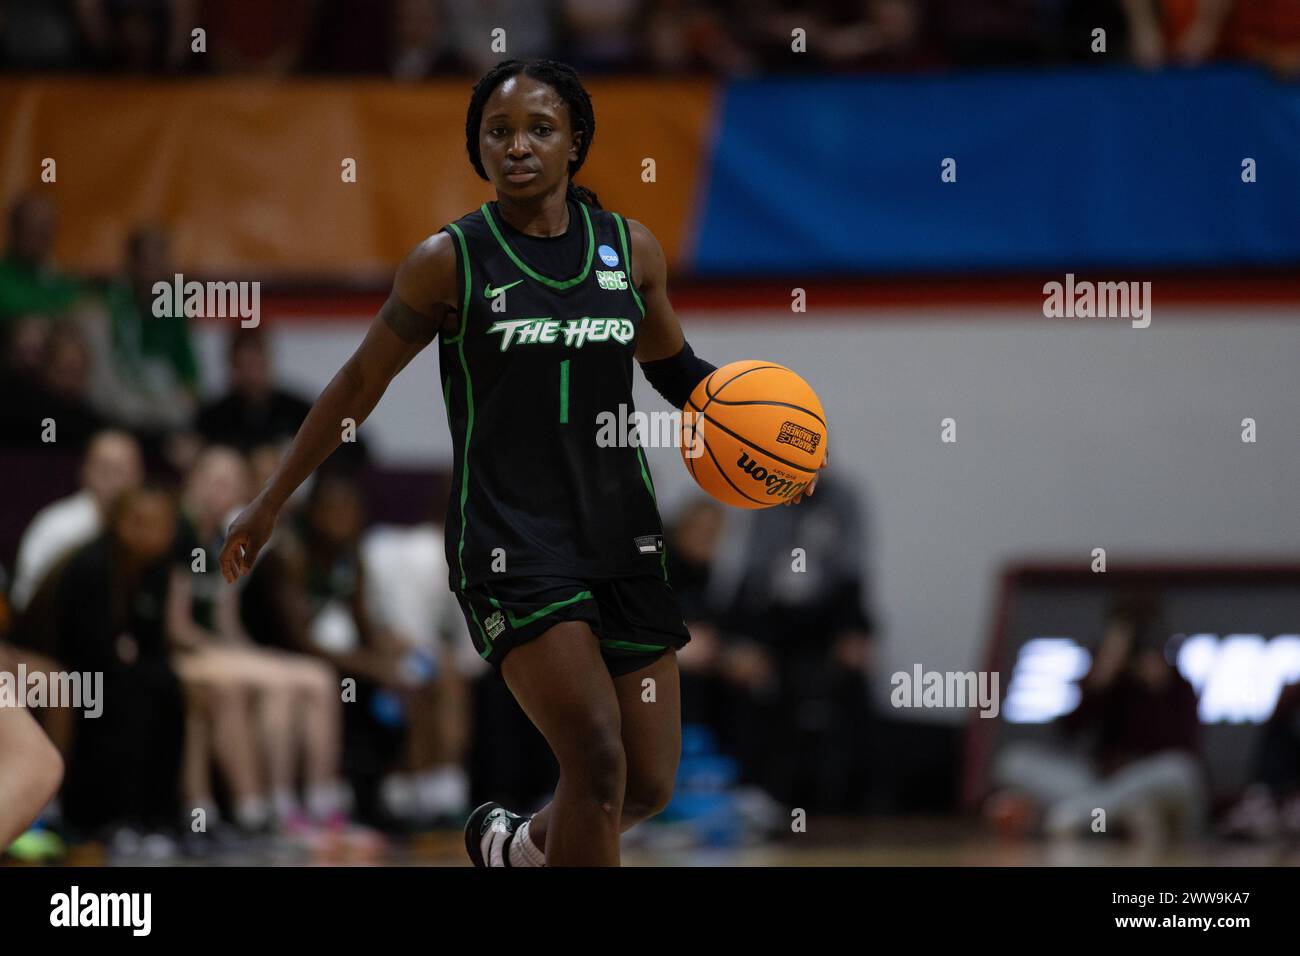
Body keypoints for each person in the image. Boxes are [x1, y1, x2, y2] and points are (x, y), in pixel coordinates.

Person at [220, 58, 824, 866]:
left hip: (622, 537)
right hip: (511, 543)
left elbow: (680, 376)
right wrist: (270, 501)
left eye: (540, 128)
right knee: (596, 761)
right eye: (497, 131)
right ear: (478, 147)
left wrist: (773, 445)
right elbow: (358, 383)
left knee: (646, 784)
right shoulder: (448, 260)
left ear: (576, 142)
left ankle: (514, 850)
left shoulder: (631, 251)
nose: (517, 146)